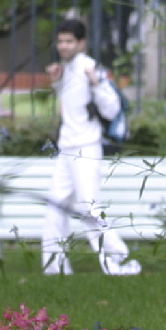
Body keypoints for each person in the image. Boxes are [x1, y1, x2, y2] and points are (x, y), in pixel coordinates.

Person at [40, 18, 141, 276]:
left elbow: (112, 109)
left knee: (89, 207)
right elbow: (72, 106)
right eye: (60, 41)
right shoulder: (66, 68)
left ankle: (117, 256)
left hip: (86, 147)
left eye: (69, 41)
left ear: (81, 43)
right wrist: (55, 82)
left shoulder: (89, 67)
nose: (63, 46)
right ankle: (55, 267)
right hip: (67, 147)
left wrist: (96, 82)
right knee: (56, 204)